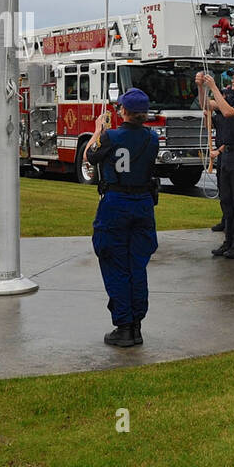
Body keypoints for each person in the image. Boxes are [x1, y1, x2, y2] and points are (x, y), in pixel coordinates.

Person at [86, 88, 159, 347]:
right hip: (143, 204)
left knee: (115, 264)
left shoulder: (111, 136)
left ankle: (124, 325)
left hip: (116, 204)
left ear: (123, 111)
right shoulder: (153, 138)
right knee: (137, 266)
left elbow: (90, 156)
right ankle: (136, 323)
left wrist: (98, 130)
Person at [196, 67, 234, 259]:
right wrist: (201, 87)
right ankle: (228, 241)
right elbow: (207, 105)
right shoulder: (230, 99)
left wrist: (213, 86)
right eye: (233, 77)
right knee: (227, 200)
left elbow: (229, 112)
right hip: (226, 154)